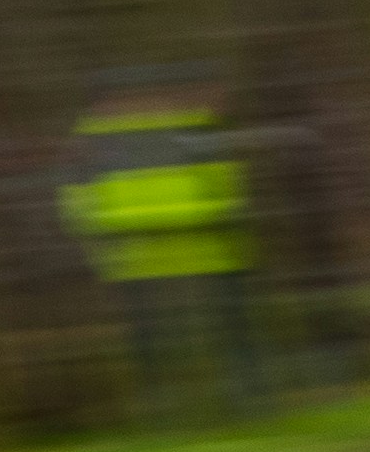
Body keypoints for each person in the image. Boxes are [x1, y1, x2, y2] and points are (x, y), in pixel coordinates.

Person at [58, 86, 264, 418]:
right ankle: (242, 398)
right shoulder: (195, 129)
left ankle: (165, 406)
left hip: (138, 257)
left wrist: (114, 229)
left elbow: (79, 208)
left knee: (151, 338)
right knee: (225, 328)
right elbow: (232, 197)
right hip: (204, 250)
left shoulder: (99, 141)